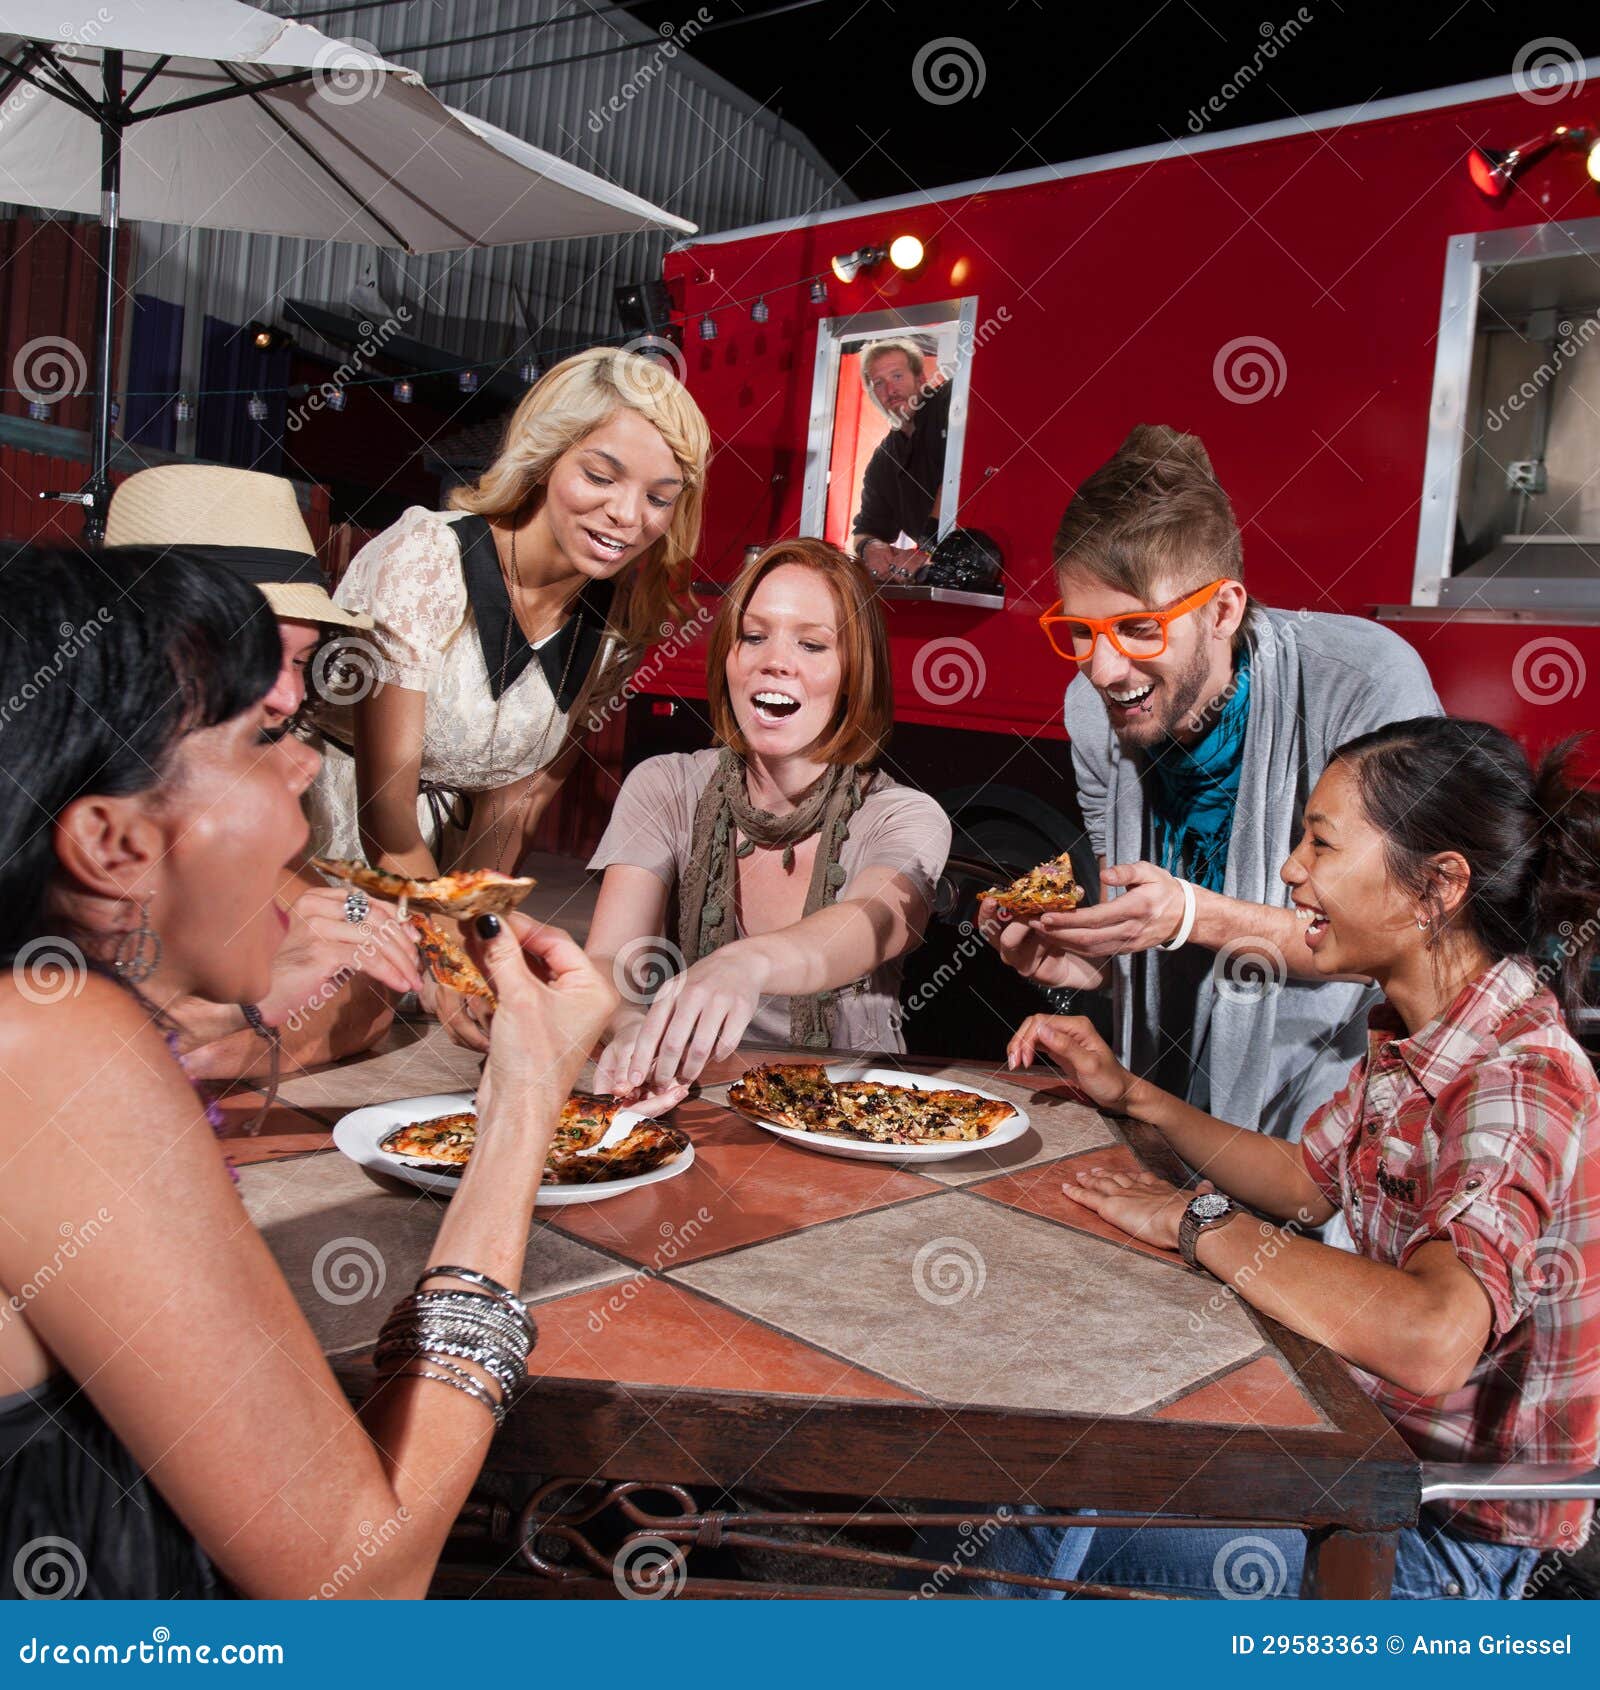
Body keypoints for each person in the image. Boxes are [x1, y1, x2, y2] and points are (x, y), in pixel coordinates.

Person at [0, 544, 617, 1598]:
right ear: (109, 845)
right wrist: (523, 1102)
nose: (305, 766)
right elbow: (357, 1581)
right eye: (266, 735)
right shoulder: (49, 1040)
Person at [978, 716, 1600, 1600]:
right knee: (1065, 1440)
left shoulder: (1517, 1079)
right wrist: (1131, 1096)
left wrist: (1198, 1220)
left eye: (1322, 843)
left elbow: (1431, 1339)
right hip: (1352, 1454)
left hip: (1430, 1541)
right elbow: (1308, 1182)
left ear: (1437, 888)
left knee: (1044, 1493)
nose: (1291, 871)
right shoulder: (1420, 1033)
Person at [985, 424, 1441, 1146]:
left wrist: (1195, 916)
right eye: (1080, 631)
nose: (1103, 670)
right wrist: (1091, 958)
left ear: (1222, 610)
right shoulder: (1092, 709)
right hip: (1169, 1102)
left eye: (1139, 628)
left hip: (1338, 1118)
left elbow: (1410, 940)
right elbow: (1146, 920)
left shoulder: (1363, 684)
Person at [302, 347, 711, 1050]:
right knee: (335, 1030)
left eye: (659, 496)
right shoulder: (426, 558)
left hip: (438, 878)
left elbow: (513, 808)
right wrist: (452, 963)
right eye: (599, 475)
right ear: (544, 457)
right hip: (327, 842)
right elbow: (385, 812)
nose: (626, 515)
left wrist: (481, 942)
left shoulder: (619, 628)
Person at [584, 538, 952, 1093]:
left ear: (855, 672)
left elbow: (872, 923)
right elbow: (610, 958)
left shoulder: (904, 815)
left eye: (812, 645)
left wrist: (745, 964)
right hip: (700, 1096)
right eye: (753, 637)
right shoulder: (665, 785)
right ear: (727, 658)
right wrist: (631, 1028)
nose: (774, 661)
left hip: (851, 1109)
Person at [102, 464, 420, 1082]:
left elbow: (371, 987)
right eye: (258, 653)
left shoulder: (225, 789)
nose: (287, 696)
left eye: (301, 661)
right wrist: (251, 1015)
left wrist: (360, 922)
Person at [851, 337, 952, 582]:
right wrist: (871, 547)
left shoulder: (948, 404)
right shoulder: (883, 461)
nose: (890, 390)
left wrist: (925, 549)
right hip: (931, 581)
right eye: (879, 383)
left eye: (897, 376)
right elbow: (865, 529)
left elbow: (954, 480)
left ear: (920, 379)